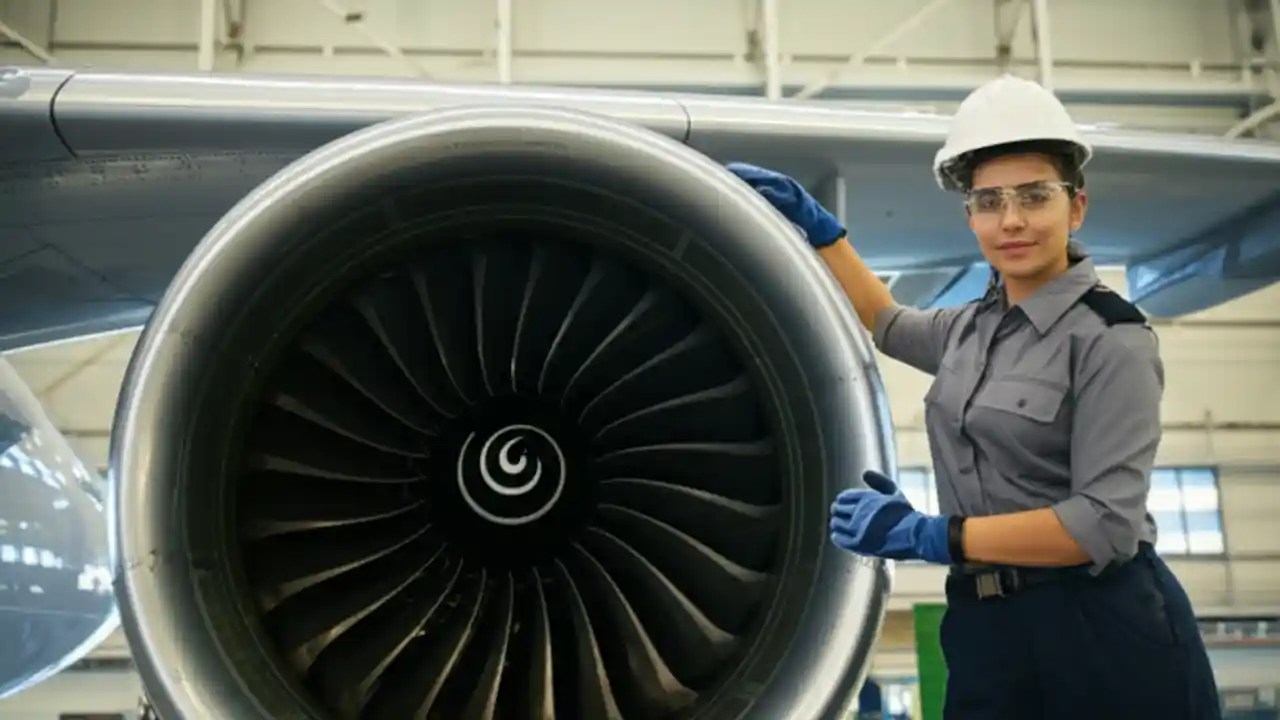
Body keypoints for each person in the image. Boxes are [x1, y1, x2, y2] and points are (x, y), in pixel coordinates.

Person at [728, 75, 1221, 720]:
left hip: (1099, 624)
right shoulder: (968, 330)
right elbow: (886, 321)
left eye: (1033, 197)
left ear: (1076, 208)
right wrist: (821, 232)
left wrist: (933, 535)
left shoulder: (1111, 340)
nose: (1011, 220)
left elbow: (1102, 525)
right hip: (985, 627)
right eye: (989, 202)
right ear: (970, 217)